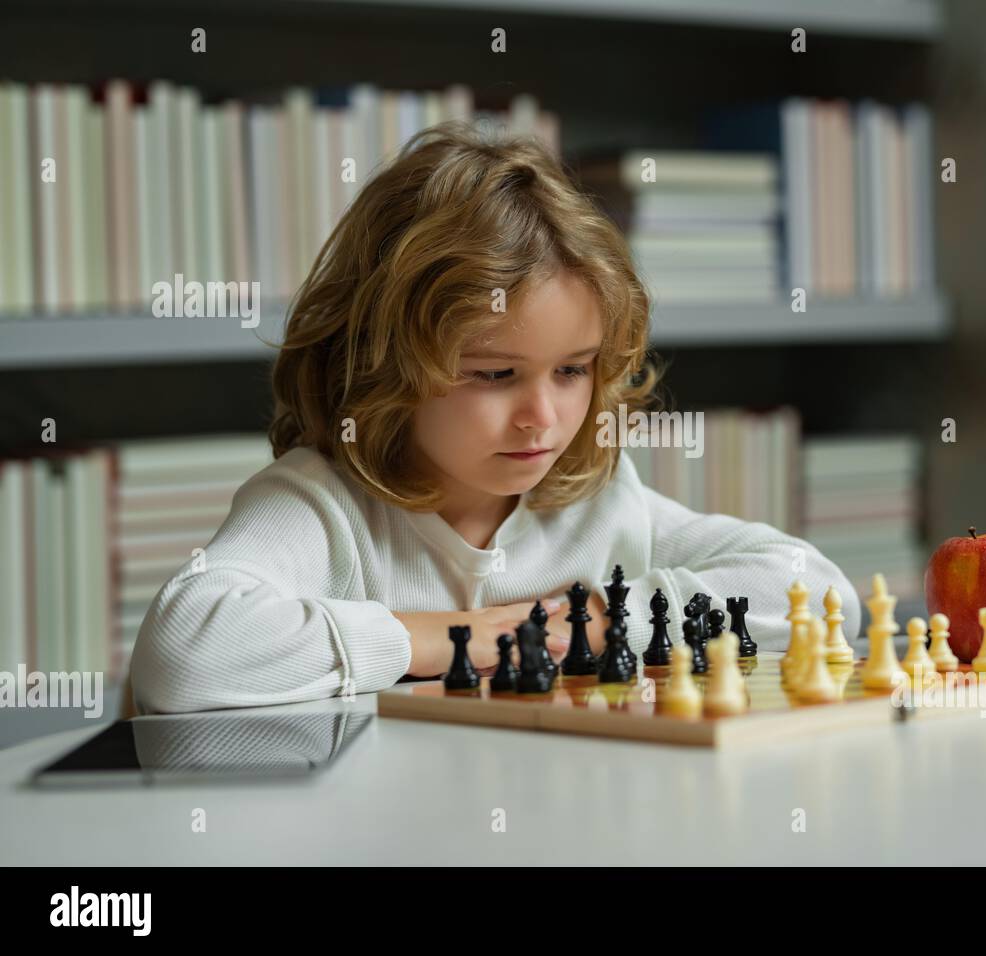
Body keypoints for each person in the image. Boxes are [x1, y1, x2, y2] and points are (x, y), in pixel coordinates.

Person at [129, 123, 860, 714]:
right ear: (382, 361)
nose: (542, 418)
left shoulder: (596, 504)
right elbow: (185, 653)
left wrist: (599, 622)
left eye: (573, 370)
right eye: (495, 375)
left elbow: (821, 593)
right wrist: (455, 639)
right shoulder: (321, 506)